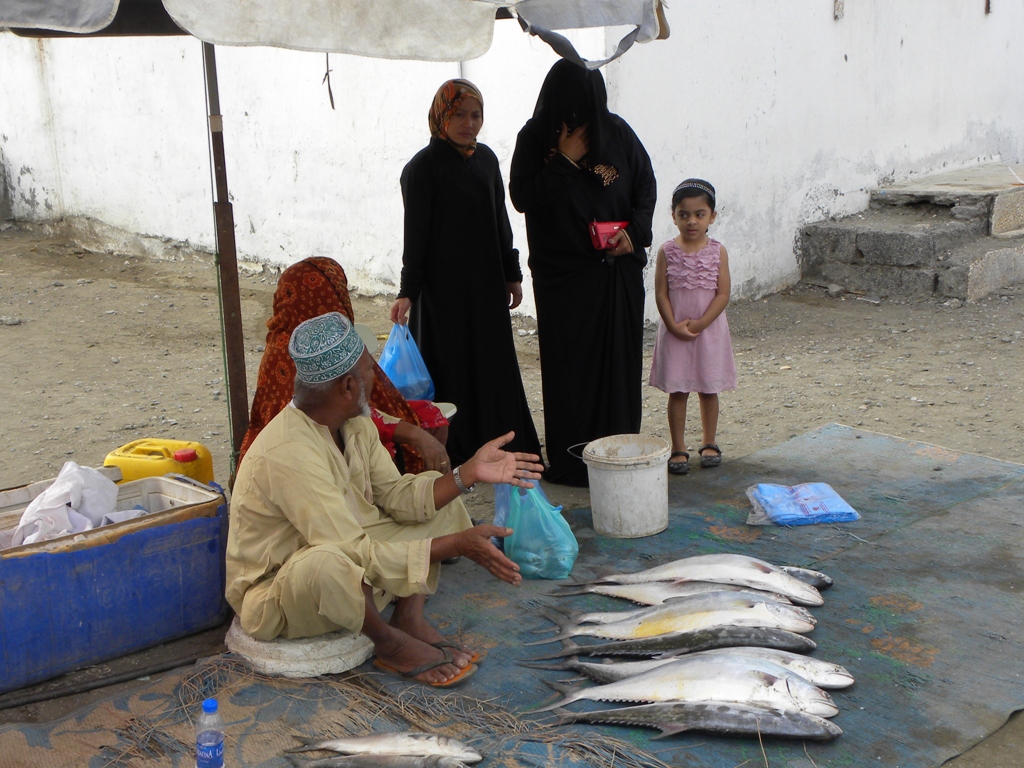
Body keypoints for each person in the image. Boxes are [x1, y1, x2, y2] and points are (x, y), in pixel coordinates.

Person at [226, 312, 544, 687]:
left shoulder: (353, 422)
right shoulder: (288, 452)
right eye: (368, 370)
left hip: (352, 550)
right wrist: (456, 544)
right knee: (329, 563)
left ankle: (408, 617)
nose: (374, 378)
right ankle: (388, 642)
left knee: (441, 496)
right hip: (282, 589)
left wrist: (468, 473)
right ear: (347, 386)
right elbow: (353, 553)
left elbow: (398, 497)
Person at [509, 60, 657, 486]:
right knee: (570, 372)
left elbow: (645, 186)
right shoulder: (535, 138)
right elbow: (523, 196)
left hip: (616, 276)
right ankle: (574, 463)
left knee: (618, 369)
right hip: (565, 281)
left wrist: (635, 234)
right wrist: (566, 161)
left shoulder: (617, 132)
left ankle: (619, 455)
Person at [390, 79, 541, 468]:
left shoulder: (487, 160)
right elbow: (416, 236)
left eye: (475, 115)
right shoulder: (422, 170)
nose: (469, 123)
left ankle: (502, 443)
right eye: (459, 114)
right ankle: (456, 452)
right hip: (443, 295)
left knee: (491, 365)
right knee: (451, 366)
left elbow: (500, 222)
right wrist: (409, 291)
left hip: (486, 287)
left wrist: (512, 274)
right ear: (442, 115)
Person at [242, 257, 449, 475]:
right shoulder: (301, 354)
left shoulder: (329, 341)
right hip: (318, 449)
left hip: (348, 421)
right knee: (388, 458)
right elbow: (337, 417)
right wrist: (412, 434)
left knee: (430, 420)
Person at [649, 179, 737, 475]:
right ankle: (677, 447)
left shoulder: (718, 251)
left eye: (700, 214)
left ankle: (709, 442)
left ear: (712, 217)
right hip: (675, 331)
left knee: (708, 388)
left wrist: (700, 323)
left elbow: (723, 293)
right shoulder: (666, 250)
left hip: (709, 331)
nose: (691, 221)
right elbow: (660, 291)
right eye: (683, 214)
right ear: (673, 215)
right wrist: (672, 325)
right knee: (678, 389)